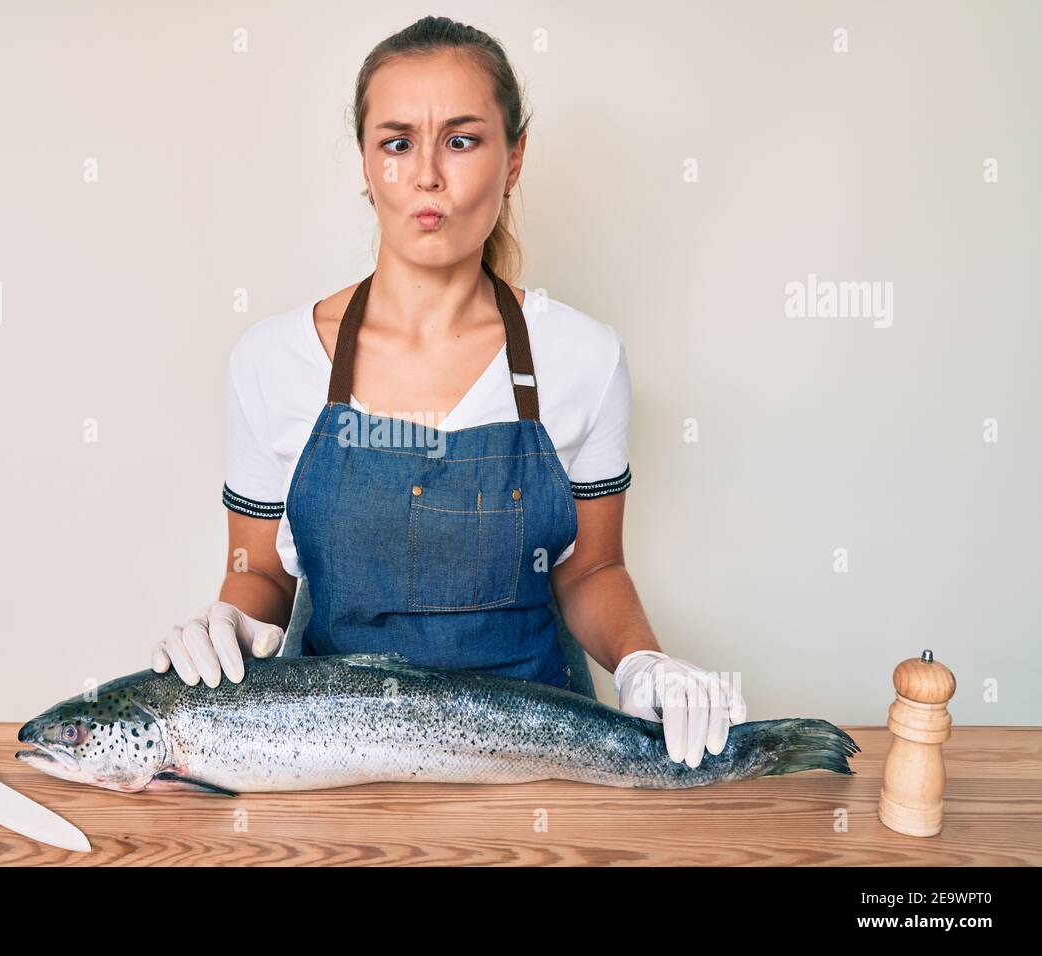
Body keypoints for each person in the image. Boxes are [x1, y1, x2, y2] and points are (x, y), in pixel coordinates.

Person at [152, 15, 746, 768]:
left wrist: (641, 660)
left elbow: (592, 569)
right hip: (328, 761)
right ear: (366, 166)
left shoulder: (583, 359)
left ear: (515, 158)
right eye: (397, 143)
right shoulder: (273, 361)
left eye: (462, 140)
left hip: (541, 759)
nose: (428, 174)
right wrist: (227, 623)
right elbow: (261, 571)